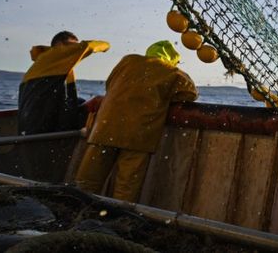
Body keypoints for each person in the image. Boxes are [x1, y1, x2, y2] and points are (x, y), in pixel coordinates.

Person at [74, 40, 198, 202]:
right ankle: (117, 221)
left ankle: (76, 211)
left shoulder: (128, 61)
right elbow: (190, 94)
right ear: (172, 59)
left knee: (87, 181)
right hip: (138, 136)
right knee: (126, 188)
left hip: (105, 129)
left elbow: (110, 83)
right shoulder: (171, 72)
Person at [18, 31, 109, 135]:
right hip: (47, 131)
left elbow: (58, 100)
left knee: (88, 101)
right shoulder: (55, 55)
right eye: (72, 45)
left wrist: (84, 105)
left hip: (38, 126)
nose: (75, 49)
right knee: (103, 103)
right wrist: (107, 46)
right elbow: (88, 46)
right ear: (60, 45)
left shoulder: (45, 64)